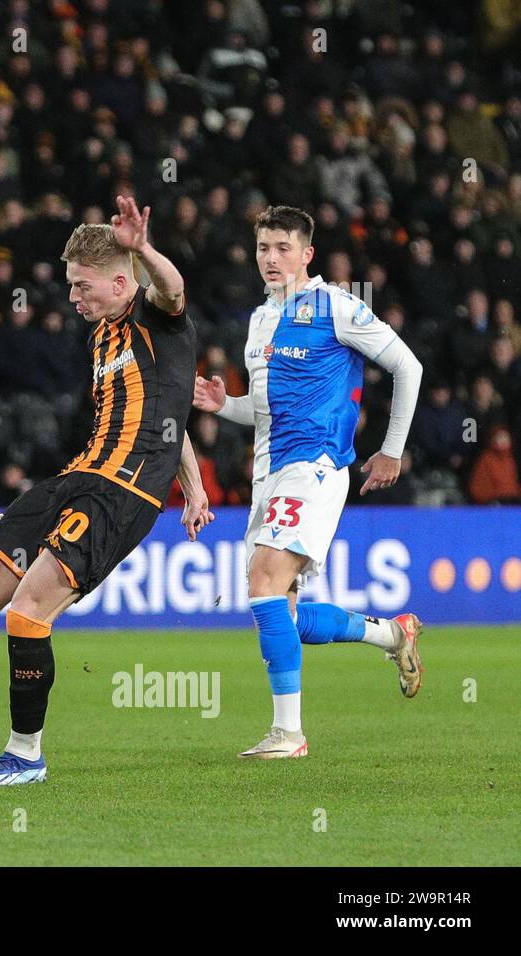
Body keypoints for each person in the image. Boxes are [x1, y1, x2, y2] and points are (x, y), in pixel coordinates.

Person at [0, 196, 214, 786]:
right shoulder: (101, 339)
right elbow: (171, 414)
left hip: (122, 495)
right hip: (78, 477)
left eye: (83, 287)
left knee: (29, 609)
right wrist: (196, 485)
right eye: (71, 286)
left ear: (119, 279)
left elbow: (175, 288)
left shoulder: (158, 317)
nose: (74, 297)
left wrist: (143, 248)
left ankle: (25, 754)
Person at [193, 205, 425, 760]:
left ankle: (288, 735)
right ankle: (394, 635)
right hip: (269, 473)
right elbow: (266, 409)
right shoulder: (260, 319)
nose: (270, 259)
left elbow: (407, 366)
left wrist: (391, 450)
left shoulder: (337, 306)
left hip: (315, 466)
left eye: (281, 248)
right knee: (284, 616)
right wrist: (227, 405)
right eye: (262, 249)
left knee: (264, 583)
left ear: (306, 254)